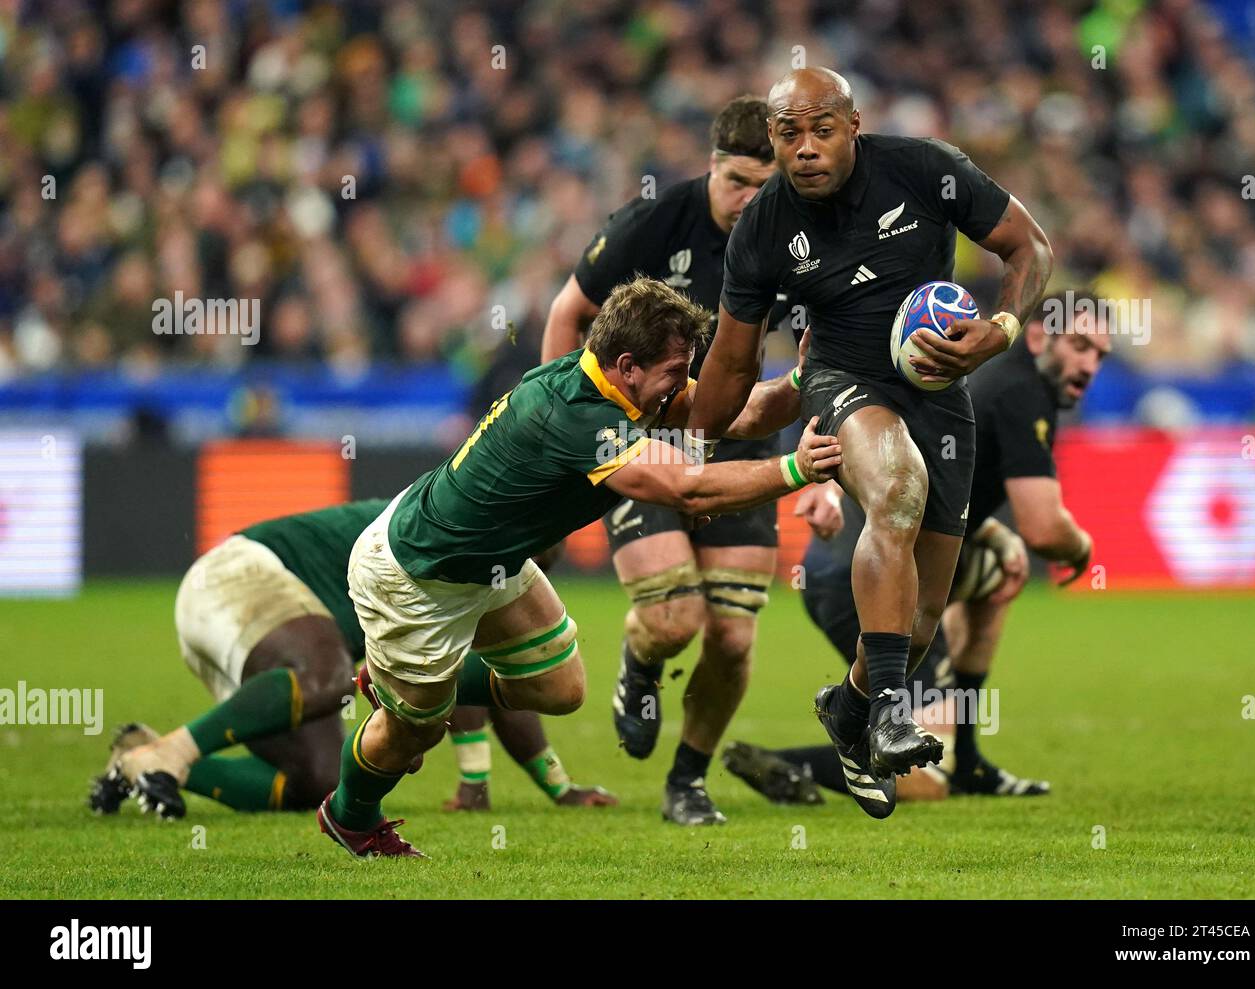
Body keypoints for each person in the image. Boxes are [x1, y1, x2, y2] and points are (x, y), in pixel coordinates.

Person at [318, 276, 840, 858]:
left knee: (560, 688)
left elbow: (729, 418)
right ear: (627, 365)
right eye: (675, 371)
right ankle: (352, 816)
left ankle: (402, 686)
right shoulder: (576, 416)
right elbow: (685, 490)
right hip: (417, 576)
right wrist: (794, 470)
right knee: (412, 732)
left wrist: (800, 380)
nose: (681, 386)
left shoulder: (622, 386)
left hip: (490, 564)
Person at [685, 67, 1054, 819]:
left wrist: (1001, 330)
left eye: (822, 128)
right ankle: (888, 714)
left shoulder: (925, 169)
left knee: (921, 620)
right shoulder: (761, 229)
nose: (806, 148)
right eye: (789, 134)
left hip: (940, 393)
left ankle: (849, 706)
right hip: (842, 379)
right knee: (896, 486)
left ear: (853, 125)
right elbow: (728, 365)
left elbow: (1031, 248)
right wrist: (687, 423)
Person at [725, 291, 1108, 803]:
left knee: (1001, 574)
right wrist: (1083, 549)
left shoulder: (984, 383)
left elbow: (939, 483)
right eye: (1080, 345)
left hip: (851, 559)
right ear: (1038, 335)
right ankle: (792, 766)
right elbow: (1044, 528)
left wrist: (993, 533)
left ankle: (968, 760)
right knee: (927, 772)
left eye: (1100, 354)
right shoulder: (1019, 391)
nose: (1089, 363)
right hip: (862, 574)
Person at [542, 96, 785, 825]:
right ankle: (641, 665)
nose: (750, 201)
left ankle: (689, 779)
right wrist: (561, 434)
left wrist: (824, 477)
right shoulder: (653, 221)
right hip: (646, 433)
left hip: (738, 435)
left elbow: (823, 348)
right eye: (739, 181)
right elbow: (566, 315)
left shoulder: (790, 234)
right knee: (676, 618)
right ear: (712, 165)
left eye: (764, 188)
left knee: (735, 636)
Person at [88, 498, 615, 819]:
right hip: (236, 574)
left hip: (250, 621)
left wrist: (559, 788)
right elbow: (468, 678)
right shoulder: (457, 541)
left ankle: (144, 760)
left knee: (317, 781)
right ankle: (175, 752)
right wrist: (475, 780)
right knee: (327, 676)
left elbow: (498, 677)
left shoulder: (481, 544)